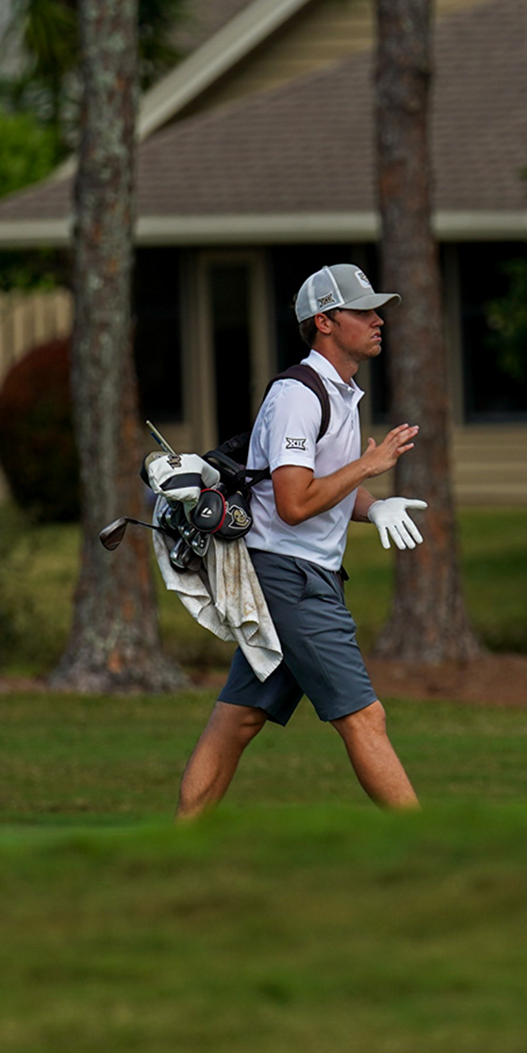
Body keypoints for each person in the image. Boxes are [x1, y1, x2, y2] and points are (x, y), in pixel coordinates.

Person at [175, 263, 431, 821]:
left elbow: (313, 489)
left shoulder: (339, 393)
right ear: (325, 321)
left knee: (239, 718)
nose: (377, 318)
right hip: (290, 578)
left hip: (294, 575)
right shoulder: (299, 393)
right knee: (365, 717)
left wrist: (371, 506)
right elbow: (292, 505)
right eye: (363, 310)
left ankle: (179, 843)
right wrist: (368, 467)